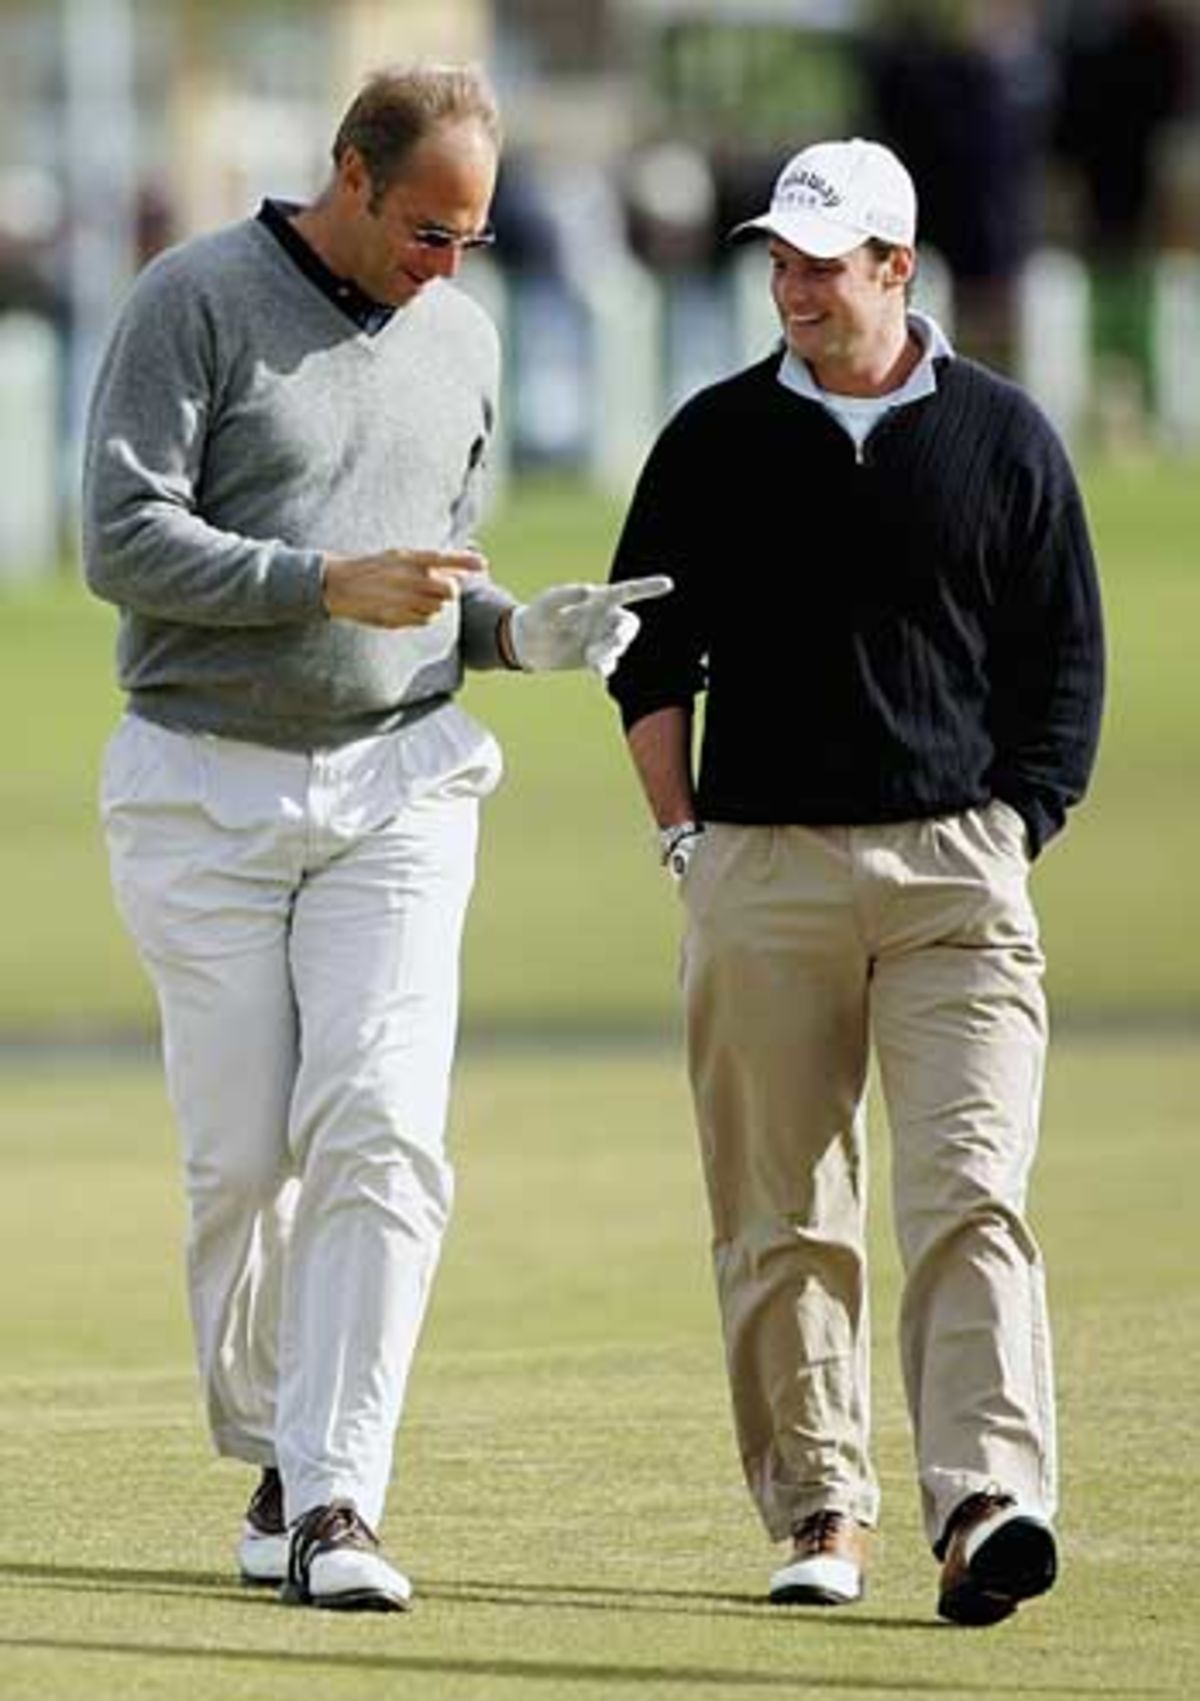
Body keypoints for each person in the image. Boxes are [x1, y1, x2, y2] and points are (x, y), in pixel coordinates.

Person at [83, 62, 668, 1614]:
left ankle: (335, 1492)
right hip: (202, 785)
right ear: (349, 173)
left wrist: (512, 635)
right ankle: (276, 1454)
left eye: (471, 238)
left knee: (386, 1129)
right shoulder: (190, 299)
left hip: (401, 782)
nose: (448, 267)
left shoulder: (458, 337)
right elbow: (120, 536)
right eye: (427, 230)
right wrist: (317, 583)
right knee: (245, 1162)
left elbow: (427, 580)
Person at [606, 137, 1103, 1625]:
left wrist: (1015, 825)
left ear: (899, 267)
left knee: (970, 1193)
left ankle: (987, 1502)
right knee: (781, 1212)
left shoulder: (1007, 438)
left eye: (825, 263)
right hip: (759, 863)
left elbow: (1061, 669)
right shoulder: (713, 437)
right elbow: (645, 651)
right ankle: (824, 1505)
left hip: (959, 869)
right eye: (782, 261)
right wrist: (684, 837)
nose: (794, 286)